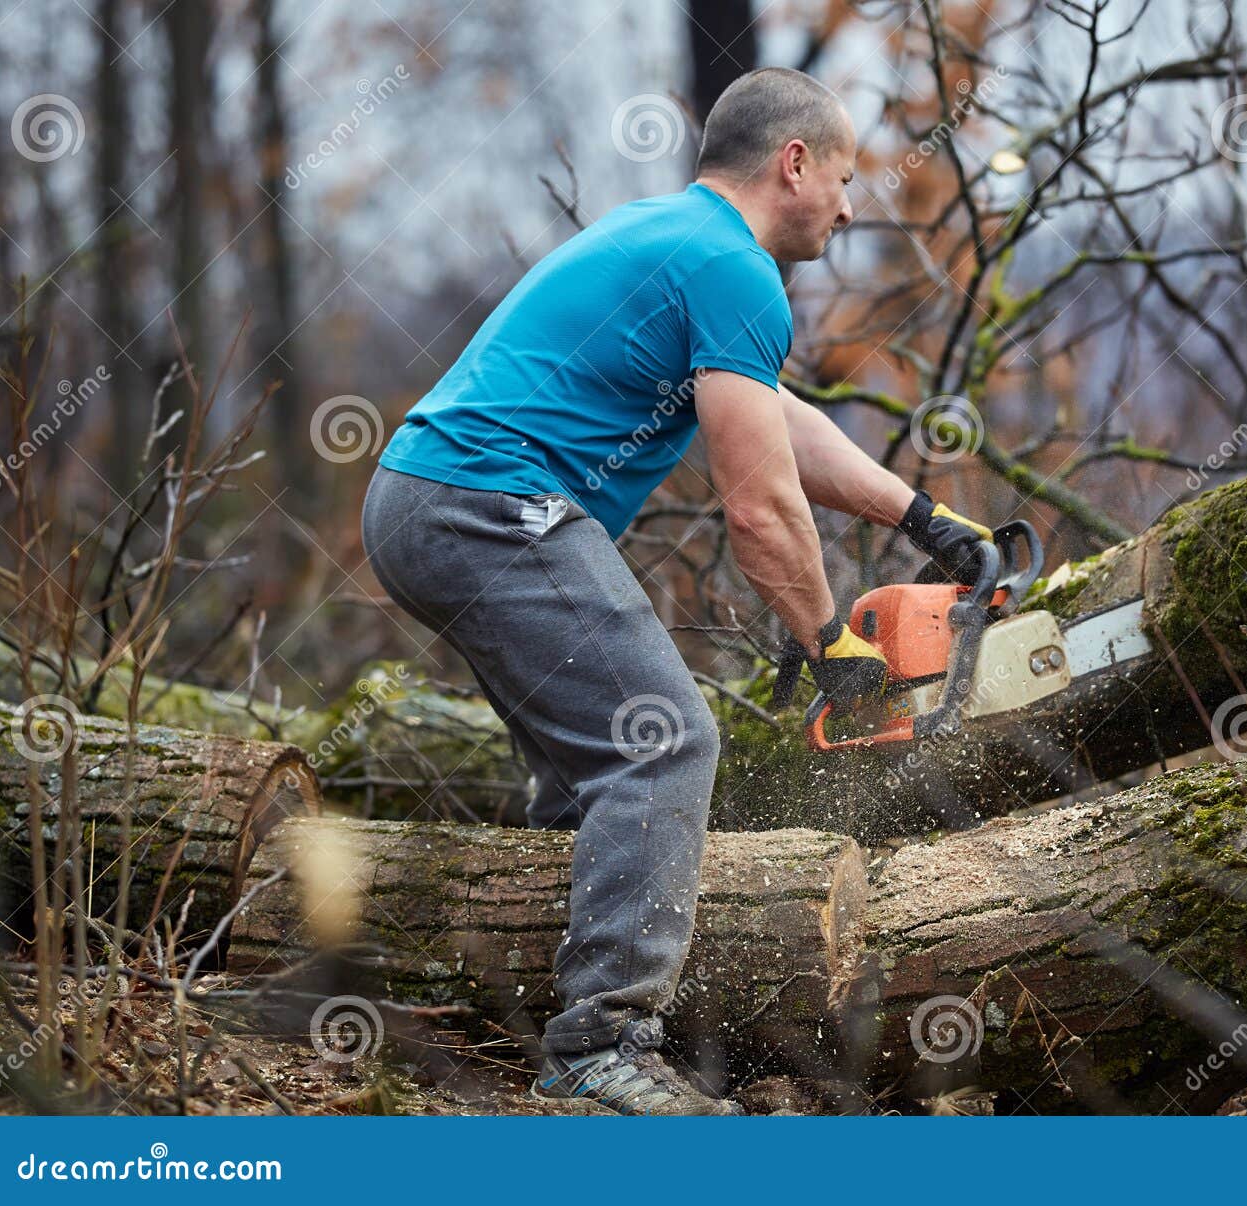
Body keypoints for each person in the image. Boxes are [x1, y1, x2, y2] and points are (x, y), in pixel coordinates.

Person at [360, 66, 992, 1115]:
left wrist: (917, 515)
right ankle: (597, 1046)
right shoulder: (731, 268)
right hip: (484, 506)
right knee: (663, 740)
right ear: (792, 164)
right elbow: (758, 507)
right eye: (839, 180)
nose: (847, 206)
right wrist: (834, 643)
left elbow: (774, 425)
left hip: (433, 502)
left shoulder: (682, 241)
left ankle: (521, 998)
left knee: (587, 779)